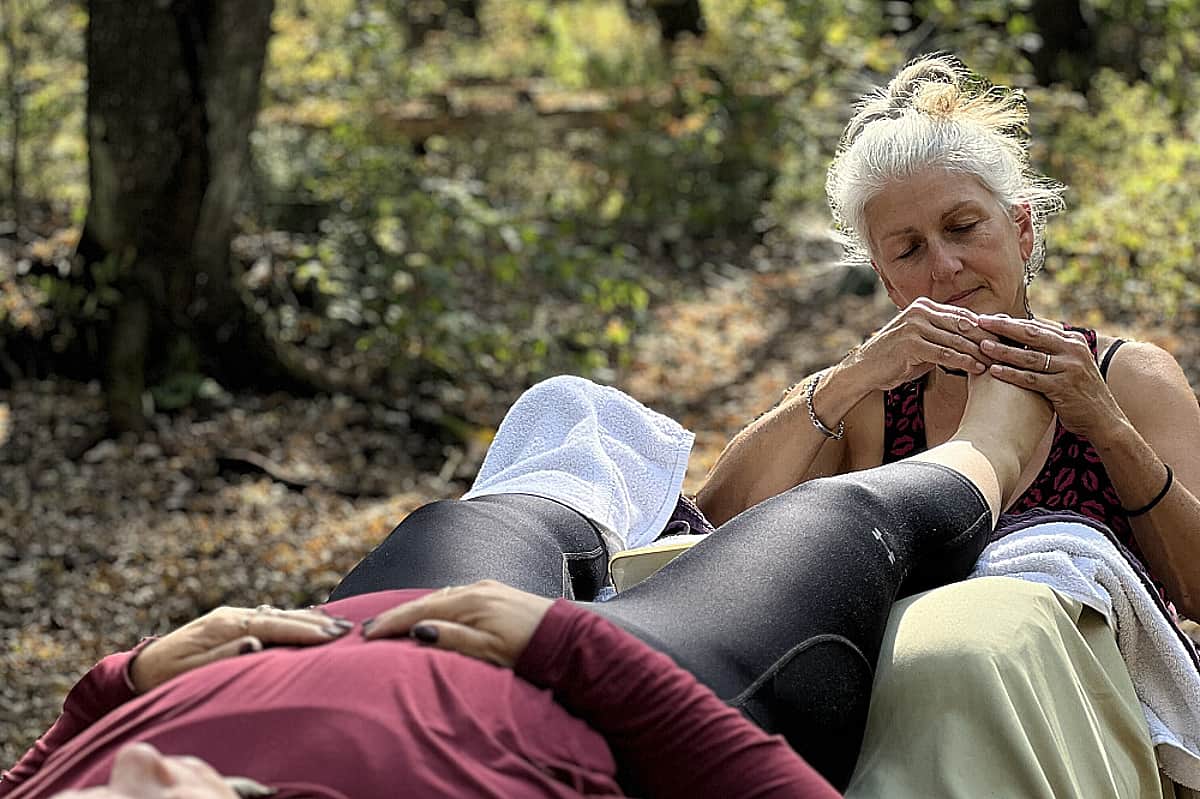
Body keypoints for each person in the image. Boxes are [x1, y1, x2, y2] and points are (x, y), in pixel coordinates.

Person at [3, 372, 1054, 798]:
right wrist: (572, 648)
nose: (137, 765)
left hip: (350, 630)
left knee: (497, 492)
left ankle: (631, 504)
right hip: (603, 693)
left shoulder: (128, 753)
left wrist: (120, 679)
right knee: (829, 518)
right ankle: (995, 444)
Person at [694, 54, 1200, 798]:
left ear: (1022, 229)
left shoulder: (1129, 378)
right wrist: (851, 377)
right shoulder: (875, 398)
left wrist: (1107, 426)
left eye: (964, 227)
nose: (946, 265)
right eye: (908, 249)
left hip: (1082, 738)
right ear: (886, 279)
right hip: (909, 738)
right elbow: (715, 527)